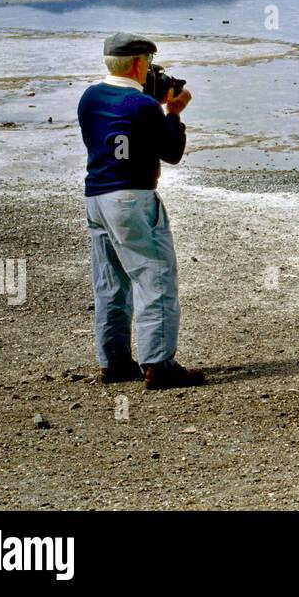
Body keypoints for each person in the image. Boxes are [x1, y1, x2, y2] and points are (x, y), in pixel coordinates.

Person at [77, 32, 204, 389]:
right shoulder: (144, 106)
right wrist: (173, 113)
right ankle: (159, 365)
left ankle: (114, 363)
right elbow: (172, 152)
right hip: (132, 199)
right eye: (148, 63)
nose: (150, 69)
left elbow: (117, 135)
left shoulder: (90, 98)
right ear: (137, 63)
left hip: (96, 198)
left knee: (110, 282)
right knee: (156, 277)